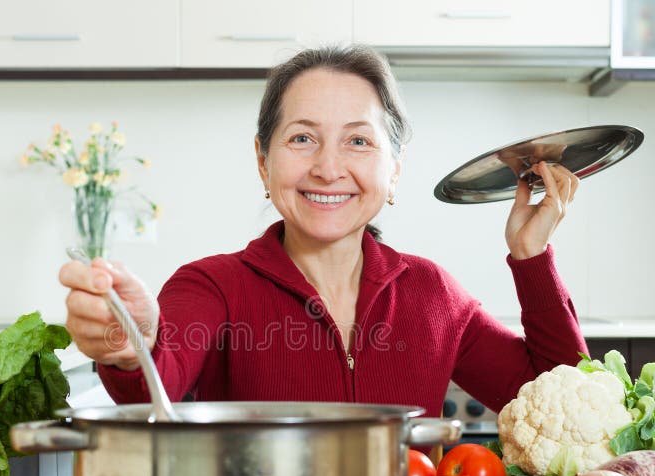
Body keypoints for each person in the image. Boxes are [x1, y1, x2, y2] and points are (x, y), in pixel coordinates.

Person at [59, 45, 586, 418]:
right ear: (263, 163)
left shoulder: (434, 296)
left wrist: (531, 256)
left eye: (358, 142)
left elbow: (563, 399)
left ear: (395, 168)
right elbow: (157, 387)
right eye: (303, 138)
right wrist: (133, 346)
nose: (328, 168)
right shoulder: (212, 286)